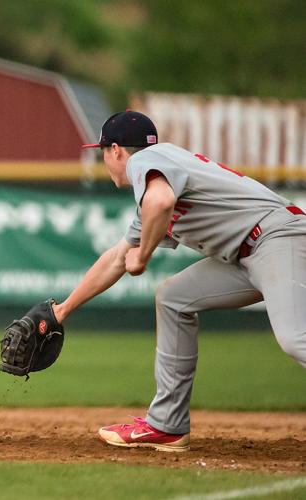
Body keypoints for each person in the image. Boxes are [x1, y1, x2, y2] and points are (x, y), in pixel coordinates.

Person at [54, 111, 305, 452]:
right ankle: (166, 425)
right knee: (174, 297)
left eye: (103, 152)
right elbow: (116, 258)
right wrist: (63, 311)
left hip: (278, 238)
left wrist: (142, 257)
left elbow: (161, 203)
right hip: (248, 255)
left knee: (295, 339)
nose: (104, 161)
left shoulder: (146, 161)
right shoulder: (157, 176)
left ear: (116, 150)